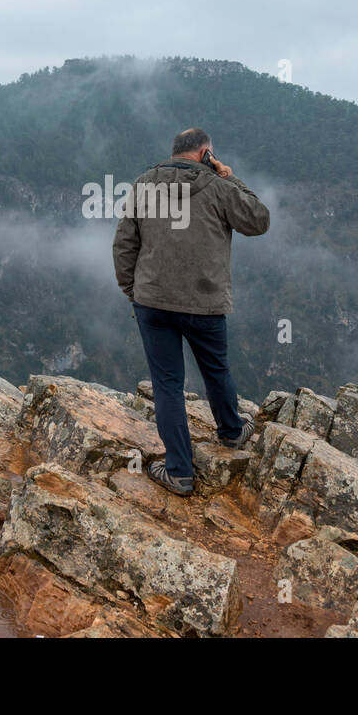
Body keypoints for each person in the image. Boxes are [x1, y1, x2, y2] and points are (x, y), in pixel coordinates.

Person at [112, 127, 271, 495]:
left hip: (152, 302)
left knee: (167, 385)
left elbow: (124, 245)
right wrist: (231, 176)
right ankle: (231, 433)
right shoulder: (219, 187)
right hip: (205, 303)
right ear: (205, 154)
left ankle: (180, 472)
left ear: (174, 153)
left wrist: (134, 292)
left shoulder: (144, 184)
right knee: (217, 370)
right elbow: (259, 220)